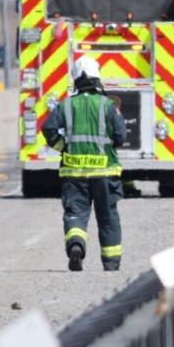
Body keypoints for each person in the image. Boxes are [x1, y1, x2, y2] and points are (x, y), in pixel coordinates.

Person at [43, 56, 126, 272]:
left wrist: (63, 147)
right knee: (107, 218)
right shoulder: (108, 106)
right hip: (105, 175)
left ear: (76, 80)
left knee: (76, 214)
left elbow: (48, 128)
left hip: (74, 174)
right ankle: (111, 263)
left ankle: (76, 246)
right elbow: (120, 136)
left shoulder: (66, 105)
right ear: (97, 78)